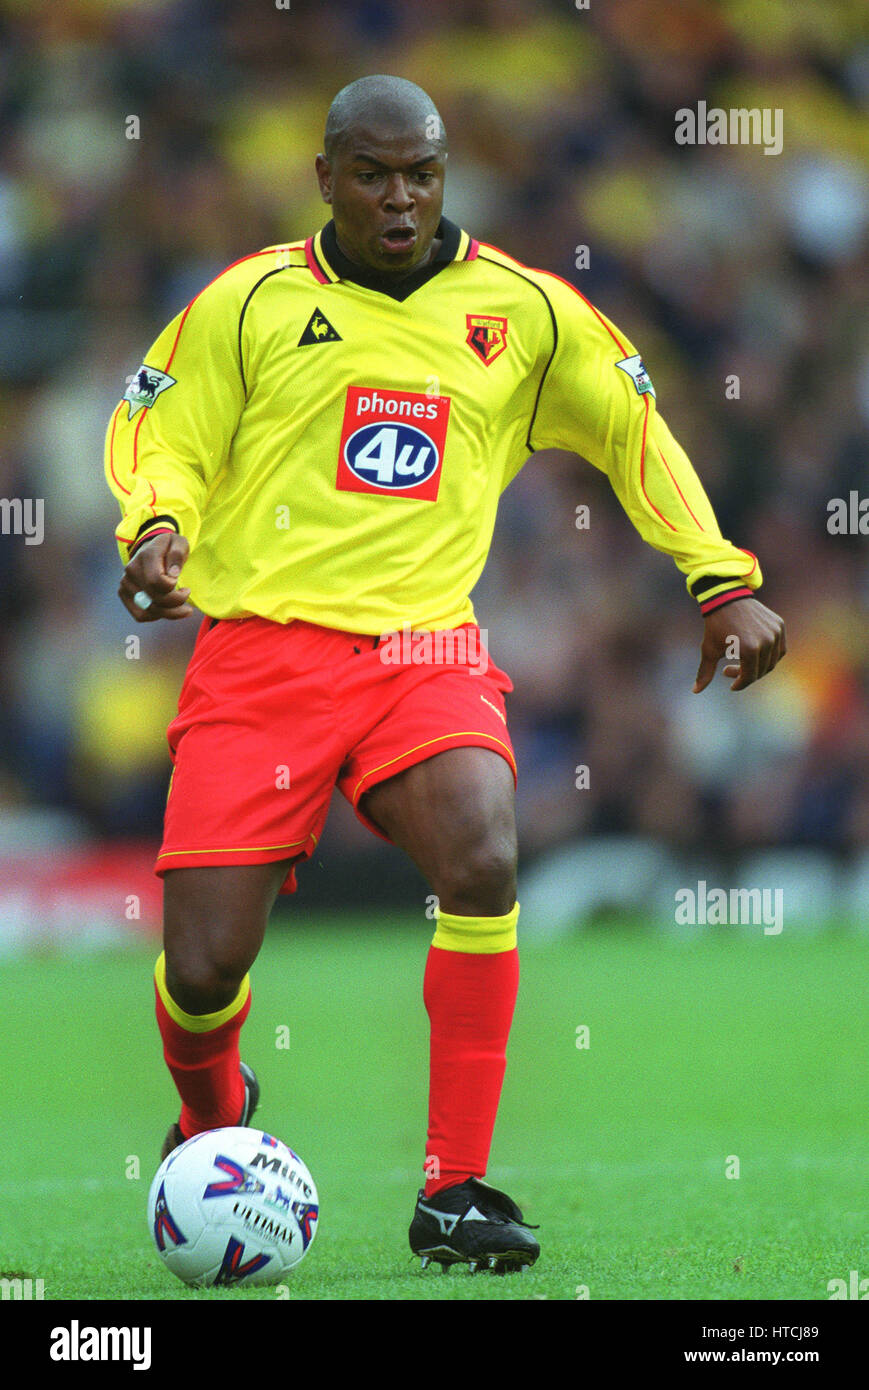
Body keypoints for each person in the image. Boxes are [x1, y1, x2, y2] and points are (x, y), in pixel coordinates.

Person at [105, 74, 785, 1277]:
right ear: (324, 178)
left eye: (419, 172)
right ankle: (213, 1118)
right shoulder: (249, 299)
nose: (400, 196)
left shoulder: (523, 312)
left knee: (481, 850)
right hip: (259, 650)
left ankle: (453, 1189)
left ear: (443, 175)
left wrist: (719, 580)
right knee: (205, 965)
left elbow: (636, 433)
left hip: (423, 646)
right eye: (372, 173)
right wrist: (154, 526)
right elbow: (167, 429)